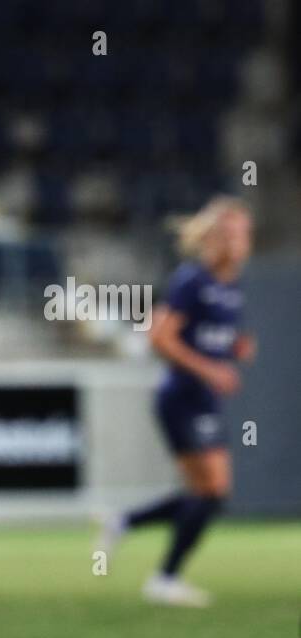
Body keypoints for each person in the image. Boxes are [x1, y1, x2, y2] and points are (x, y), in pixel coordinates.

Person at [101, 197, 255, 607]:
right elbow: (159, 336)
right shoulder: (193, 280)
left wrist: (234, 349)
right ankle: (164, 578)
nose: (242, 241)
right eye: (235, 233)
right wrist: (211, 370)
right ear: (217, 239)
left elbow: (208, 339)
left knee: (207, 492)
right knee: (213, 490)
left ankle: (126, 523)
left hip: (201, 398)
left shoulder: (230, 286)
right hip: (181, 398)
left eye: (245, 233)